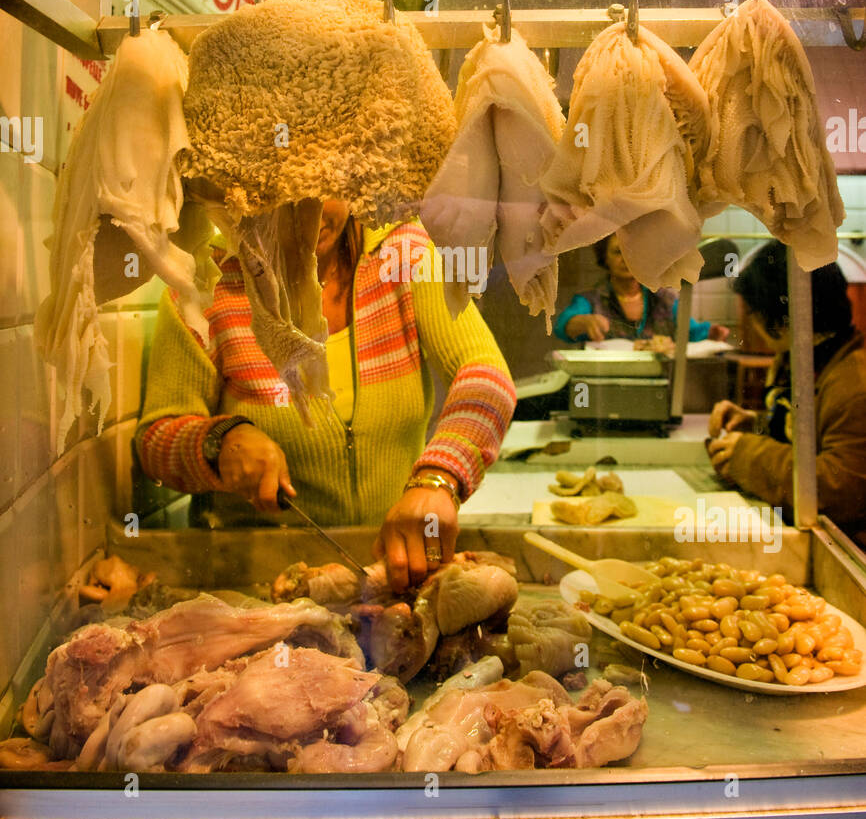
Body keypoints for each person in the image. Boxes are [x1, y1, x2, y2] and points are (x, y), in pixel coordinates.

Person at [136, 202, 517, 591]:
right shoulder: (203, 284)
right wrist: (220, 441)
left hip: (391, 576)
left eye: (327, 187)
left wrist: (439, 479)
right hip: (258, 588)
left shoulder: (403, 253)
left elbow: (485, 376)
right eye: (285, 195)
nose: (310, 214)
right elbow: (156, 441)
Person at [706, 240, 866, 548]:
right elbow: (807, 433)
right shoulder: (804, 359)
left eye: (753, 312)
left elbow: (840, 490)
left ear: (781, 317)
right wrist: (755, 426)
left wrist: (748, 455)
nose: (751, 322)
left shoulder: (854, 382)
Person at [553, 234, 729, 345]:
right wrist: (584, 322)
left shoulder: (665, 298)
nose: (626, 259)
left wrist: (710, 332)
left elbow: (689, 331)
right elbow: (562, 327)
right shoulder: (590, 300)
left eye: (632, 252)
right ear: (604, 258)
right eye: (617, 252)